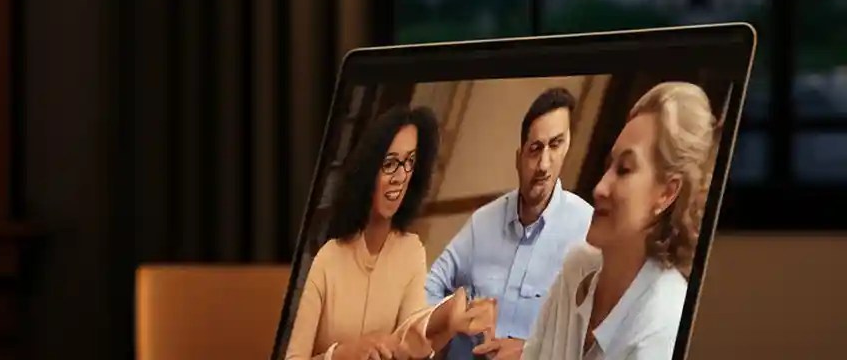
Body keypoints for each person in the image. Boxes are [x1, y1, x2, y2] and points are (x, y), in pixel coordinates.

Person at [472, 81, 721, 360]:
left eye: (624, 169)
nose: (600, 188)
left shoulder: (665, 323)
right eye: (608, 166)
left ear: (666, 193)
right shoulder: (577, 267)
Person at [285, 106, 498, 360]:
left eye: (409, 163)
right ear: (368, 172)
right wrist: (339, 355)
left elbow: (409, 340)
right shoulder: (328, 259)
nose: (400, 176)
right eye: (390, 163)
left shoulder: (411, 251)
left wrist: (450, 313)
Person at [424, 87, 594, 360]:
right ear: (519, 158)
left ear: (567, 147)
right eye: (535, 149)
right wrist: (453, 321)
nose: (544, 164)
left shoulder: (588, 232)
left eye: (555, 145)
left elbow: (597, 337)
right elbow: (429, 287)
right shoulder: (483, 223)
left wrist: (533, 351)